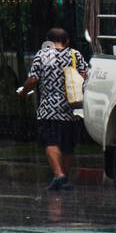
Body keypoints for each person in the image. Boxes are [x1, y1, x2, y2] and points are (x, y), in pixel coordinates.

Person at [18, 28, 89, 192]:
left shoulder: (42, 55)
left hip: (48, 108)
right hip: (71, 107)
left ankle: (59, 175)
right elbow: (85, 75)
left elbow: (34, 78)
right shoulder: (75, 54)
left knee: (50, 141)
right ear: (67, 41)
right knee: (67, 145)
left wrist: (23, 90)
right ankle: (63, 178)